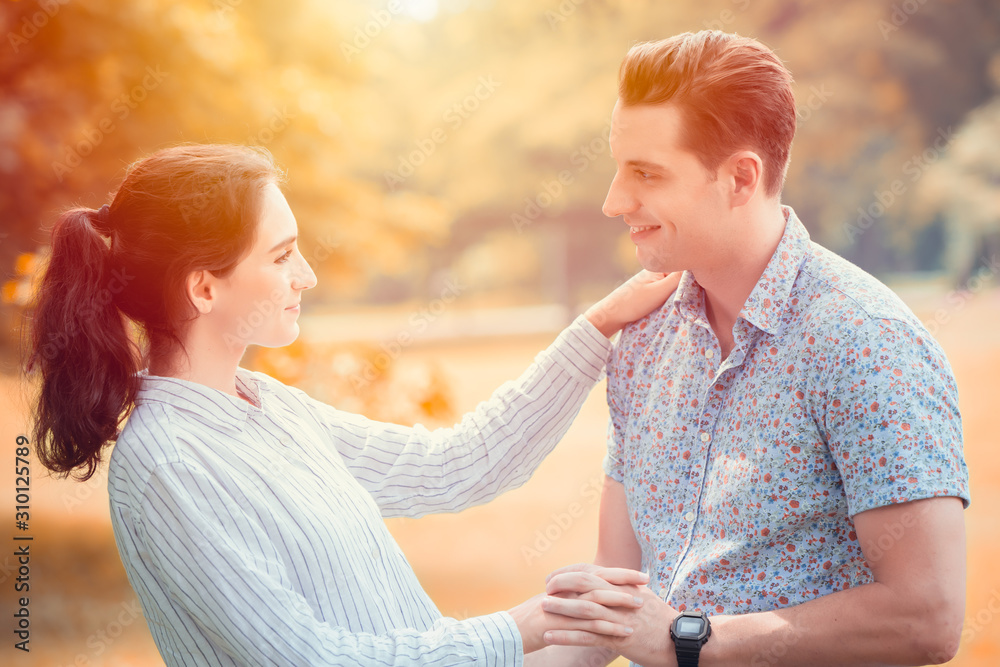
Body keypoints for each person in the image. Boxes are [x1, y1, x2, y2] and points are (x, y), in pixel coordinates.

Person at [25, 143, 679, 666]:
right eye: (282, 256)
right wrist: (527, 625)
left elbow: (458, 464)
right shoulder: (166, 465)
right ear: (203, 286)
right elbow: (314, 657)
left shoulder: (270, 406)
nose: (306, 274)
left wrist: (597, 327)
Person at [530, 30, 970, 667]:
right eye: (618, 167)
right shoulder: (645, 337)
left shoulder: (865, 340)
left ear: (740, 178)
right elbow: (617, 598)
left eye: (646, 173)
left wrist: (690, 639)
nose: (613, 201)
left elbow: (928, 616)